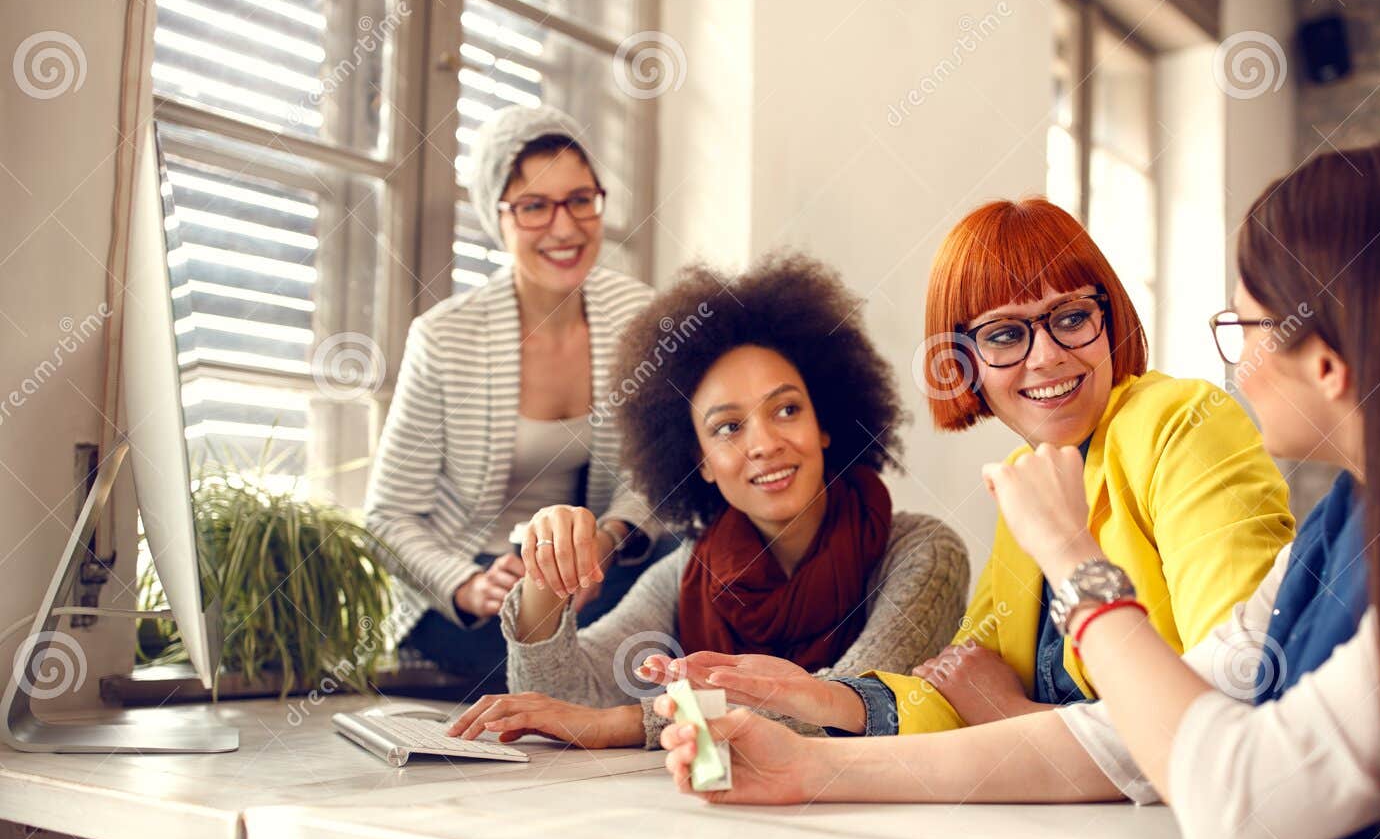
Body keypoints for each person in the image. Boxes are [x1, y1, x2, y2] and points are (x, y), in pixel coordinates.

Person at [656, 140, 1380, 839]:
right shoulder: (1358, 515)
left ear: (1327, 361)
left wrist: (1077, 567)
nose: (1235, 358)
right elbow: (1139, 724)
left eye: (1246, 326)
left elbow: (1225, 770)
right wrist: (814, 755)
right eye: (1005, 334)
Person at [655, 197, 1293, 749]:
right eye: (1005, 335)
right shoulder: (1025, 475)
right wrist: (820, 696)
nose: (1046, 356)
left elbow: (1229, 702)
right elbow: (959, 689)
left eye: (1072, 317)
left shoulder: (1182, 423)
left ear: (1109, 317)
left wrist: (1011, 714)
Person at [444, 252, 968, 752]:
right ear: (700, 461)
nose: (763, 444)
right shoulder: (691, 572)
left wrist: (627, 723)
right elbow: (564, 700)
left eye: (787, 410)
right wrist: (546, 571)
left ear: (824, 423)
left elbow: (857, 705)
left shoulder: (921, 552)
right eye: (728, 427)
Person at [365, 104, 667, 694]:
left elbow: (654, 474)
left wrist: (607, 540)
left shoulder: (639, 316)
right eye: (534, 206)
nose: (564, 227)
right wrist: (466, 586)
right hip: (476, 578)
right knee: (586, 658)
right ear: (496, 216)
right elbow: (387, 517)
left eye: (580, 200)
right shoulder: (444, 336)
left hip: (596, 570)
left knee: (687, 574)